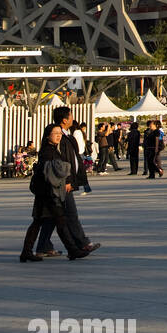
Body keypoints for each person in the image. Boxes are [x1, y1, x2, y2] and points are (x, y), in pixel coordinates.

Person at [35, 108, 96, 258]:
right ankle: (81, 244)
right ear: (64, 119)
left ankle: (43, 246)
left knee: (51, 217)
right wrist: (67, 180)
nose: (72, 118)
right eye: (70, 116)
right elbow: (59, 162)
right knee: (69, 214)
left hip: (65, 182)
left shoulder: (67, 135)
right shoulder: (58, 137)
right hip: (61, 183)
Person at [20, 124, 86, 262]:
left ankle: (26, 252)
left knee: (39, 221)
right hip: (49, 192)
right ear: (48, 135)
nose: (58, 135)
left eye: (59, 133)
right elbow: (56, 170)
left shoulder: (52, 150)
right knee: (59, 220)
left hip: (45, 191)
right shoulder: (48, 151)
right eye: (55, 133)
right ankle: (73, 250)